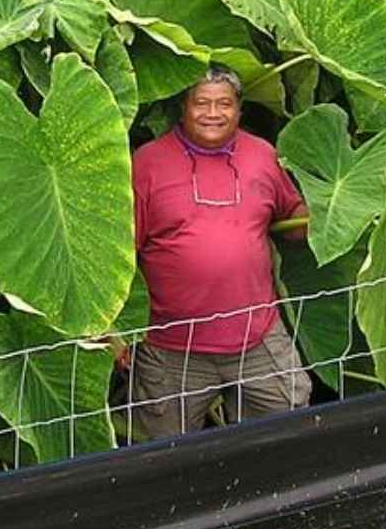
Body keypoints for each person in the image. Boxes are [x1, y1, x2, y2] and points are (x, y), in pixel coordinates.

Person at [125, 65, 312, 439]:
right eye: (202, 103)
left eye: (224, 104)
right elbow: (119, 254)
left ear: (239, 110)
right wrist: (115, 332)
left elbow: (294, 217)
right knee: (165, 456)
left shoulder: (262, 155)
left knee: (286, 426)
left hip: (256, 336)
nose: (213, 113)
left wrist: (343, 207)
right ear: (184, 107)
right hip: (174, 348)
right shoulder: (147, 164)